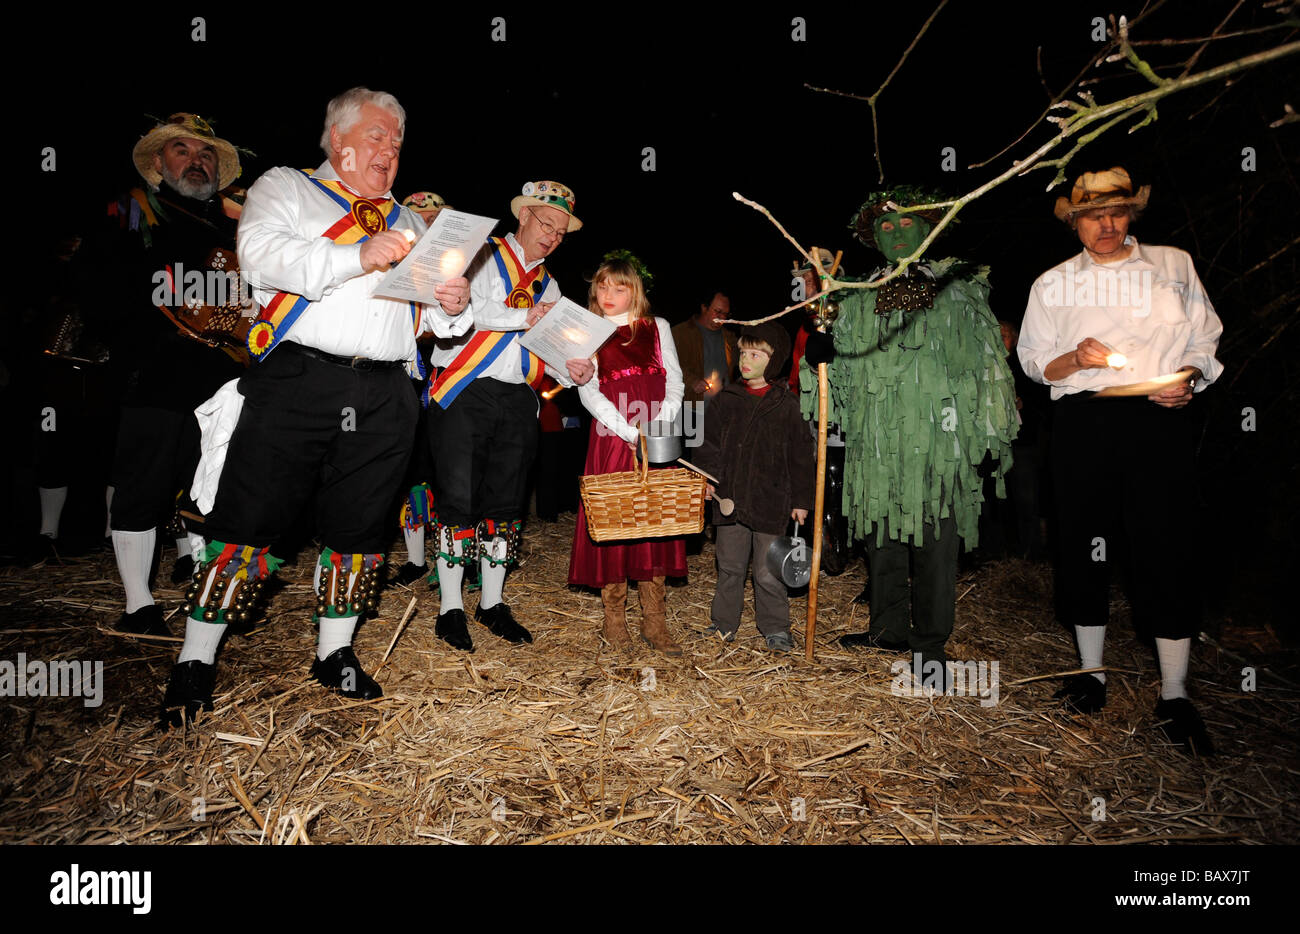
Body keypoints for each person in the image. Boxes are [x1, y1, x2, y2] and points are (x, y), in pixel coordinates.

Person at [160, 88, 465, 726]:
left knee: (361, 525)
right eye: (378, 135)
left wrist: (452, 305)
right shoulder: (288, 187)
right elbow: (260, 258)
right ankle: (195, 660)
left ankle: (335, 653)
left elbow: (437, 326)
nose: (390, 150)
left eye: (397, 141)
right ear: (338, 138)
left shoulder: (411, 223)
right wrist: (357, 254)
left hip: (387, 392)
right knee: (248, 516)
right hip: (299, 379)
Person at [1018, 166, 1223, 755]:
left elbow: (1205, 340)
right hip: (1084, 421)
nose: (1105, 224)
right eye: (1092, 216)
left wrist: (1187, 379)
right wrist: (1074, 359)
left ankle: (1175, 695)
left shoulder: (1173, 265)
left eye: (1116, 212)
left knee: (1166, 544)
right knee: (1083, 543)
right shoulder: (1053, 284)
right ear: (1074, 223)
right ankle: (1090, 677)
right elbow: (1034, 362)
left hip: (1158, 418)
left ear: (1132, 214)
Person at [805, 186, 1018, 685]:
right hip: (877, 441)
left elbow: (987, 363)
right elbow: (841, 371)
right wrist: (820, 355)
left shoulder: (958, 287)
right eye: (886, 226)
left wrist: (987, 430)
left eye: (906, 222)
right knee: (881, 535)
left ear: (928, 228)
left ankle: (929, 645)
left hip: (940, 442)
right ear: (874, 239)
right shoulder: (856, 296)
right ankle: (887, 629)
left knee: (935, 541)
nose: (896, 232)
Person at [423, 181, 594, 652]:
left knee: (505, 503)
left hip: (520, 398)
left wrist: (573, 369)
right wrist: (526, 316)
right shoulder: (479, 254)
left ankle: (492, 603)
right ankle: (450, 607)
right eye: (547, 225)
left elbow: (549, 345)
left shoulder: (550, 285)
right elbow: (462, 308)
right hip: (463, 390)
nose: (552, 237)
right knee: (458, 500)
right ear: (523, 215)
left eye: (560, 233)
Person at [109, 113, 250, 637]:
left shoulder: (236, 224)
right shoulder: (134, 212)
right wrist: (148, 338)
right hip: (159, 370)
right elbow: (106, 289)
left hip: (225, 374)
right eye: (183, 151)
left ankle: (206, 592)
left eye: (206, 154)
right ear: (158, 162)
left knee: (213, 485)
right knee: (144, 484)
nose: (197, 161)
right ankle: (138, 604)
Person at [568, 253, 686, 654]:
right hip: (612, 440)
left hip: (655, 440)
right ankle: (614, 622)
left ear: (634, 291)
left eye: (619, 287)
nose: (608, 295)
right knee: (615, 523)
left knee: (653, 523)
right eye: (602, 286)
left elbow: (675, 382)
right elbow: (588, 392)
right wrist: (628, 432)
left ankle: (655, 623)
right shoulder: (588, 332)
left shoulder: (657, 327)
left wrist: (655, 430)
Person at [694, 323, 814, 653]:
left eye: (756, 354)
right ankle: (723, 623)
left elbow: (801, 457)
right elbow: (708, 444)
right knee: (729, 566)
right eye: (743, 353)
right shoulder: (726, 400)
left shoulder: (788, 405)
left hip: (771, 502)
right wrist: (706, 478)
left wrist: (801, 500)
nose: (746, 360)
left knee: (767, 571)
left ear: (774, 361)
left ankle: (775, 627)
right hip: (730, 498)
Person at [672, 289, 736, 408]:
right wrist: (691, 381)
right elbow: (666, 365)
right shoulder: (680, 333)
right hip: (691, 408)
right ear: (704, 308)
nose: (722, 318)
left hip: (722, 409)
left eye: (726, 314)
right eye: (718, 311)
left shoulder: (730, 338)